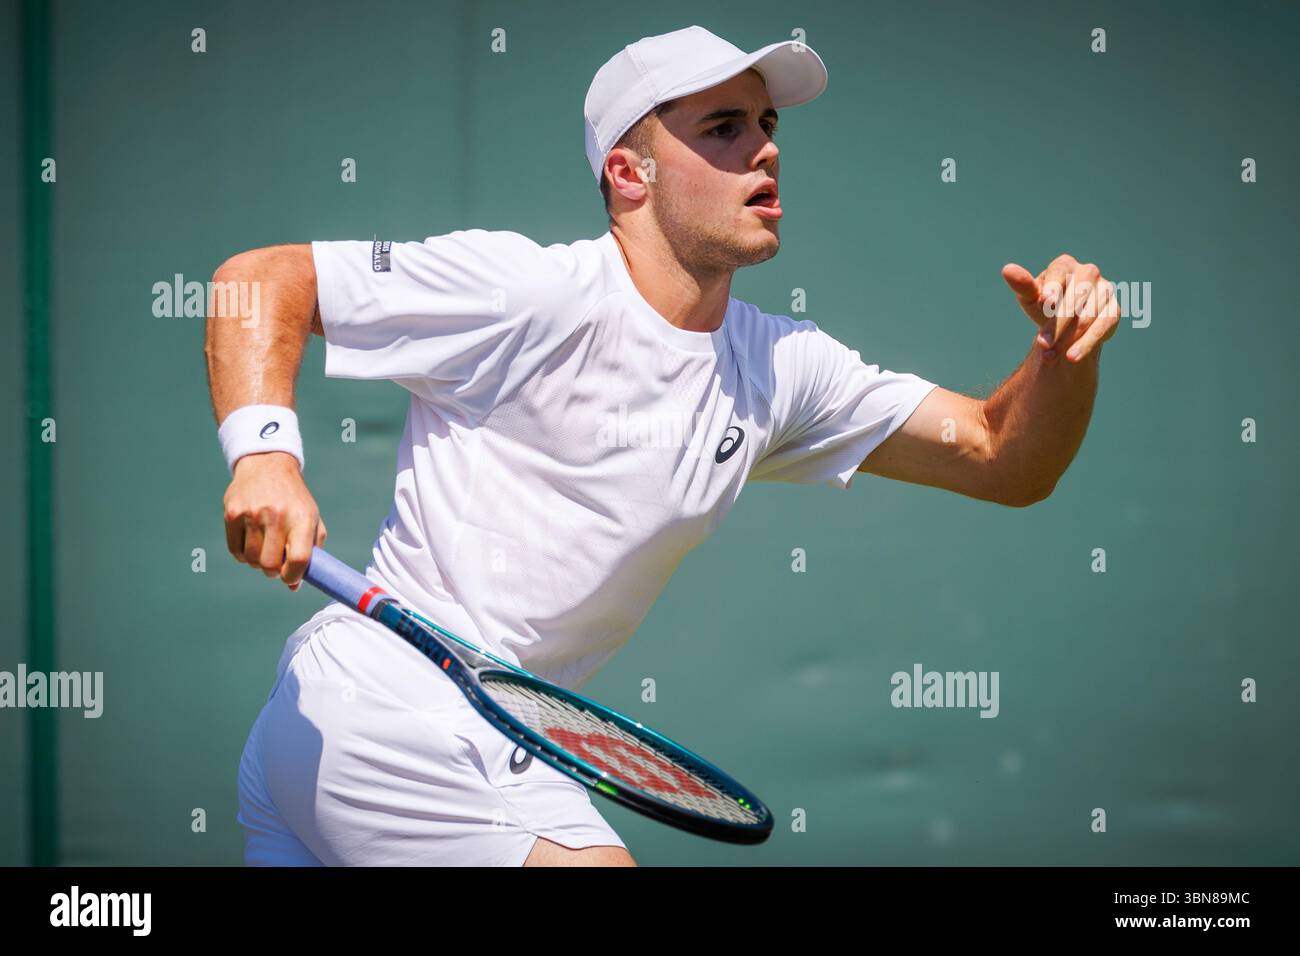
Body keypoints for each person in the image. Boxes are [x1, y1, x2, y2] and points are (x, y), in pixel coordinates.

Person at [206, 25, 1117, 867]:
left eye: (765, 123)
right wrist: (266, 454)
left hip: (518, 740)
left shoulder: (780, 366)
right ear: (629, 174)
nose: (764, 148)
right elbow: (259, 281)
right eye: (722, 128)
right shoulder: (529, 293)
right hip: (381, 707)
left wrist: (1062, 355)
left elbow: (1005, 458)